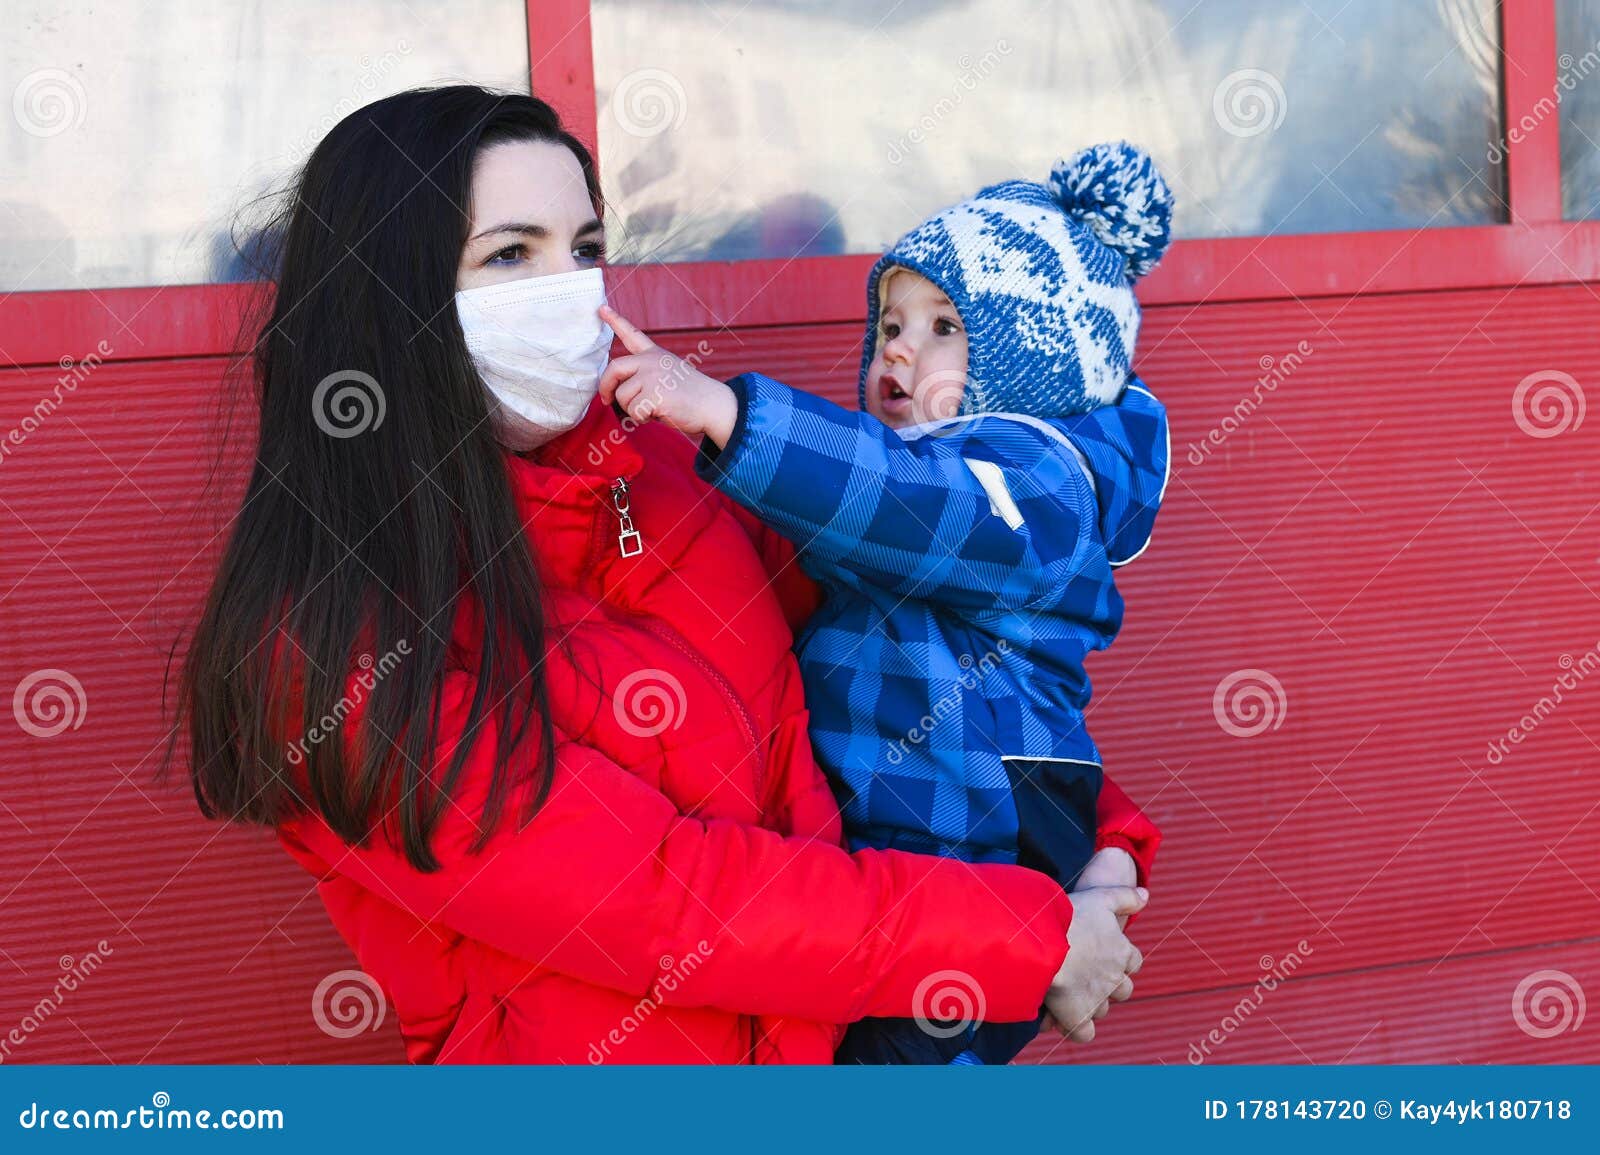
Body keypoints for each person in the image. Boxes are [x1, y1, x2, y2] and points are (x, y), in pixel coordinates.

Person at [174, 85, 1157, 1064]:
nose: (570, 290)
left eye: (585, 249)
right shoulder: (326, 652)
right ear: (386, 296)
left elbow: (913, 650)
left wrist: (1084, 837)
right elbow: (671, 903)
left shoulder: (669, 467)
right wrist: (1025, 937)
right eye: (512, 254)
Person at [597, 142, 1172, 1063]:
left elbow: (913, 502)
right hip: (909, 844)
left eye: (945, 325)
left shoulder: (1036, 486)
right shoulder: (926, 485)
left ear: (1033, 364)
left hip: (976, 847)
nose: (899, 346)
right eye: (891, 322)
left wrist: (726, 414)